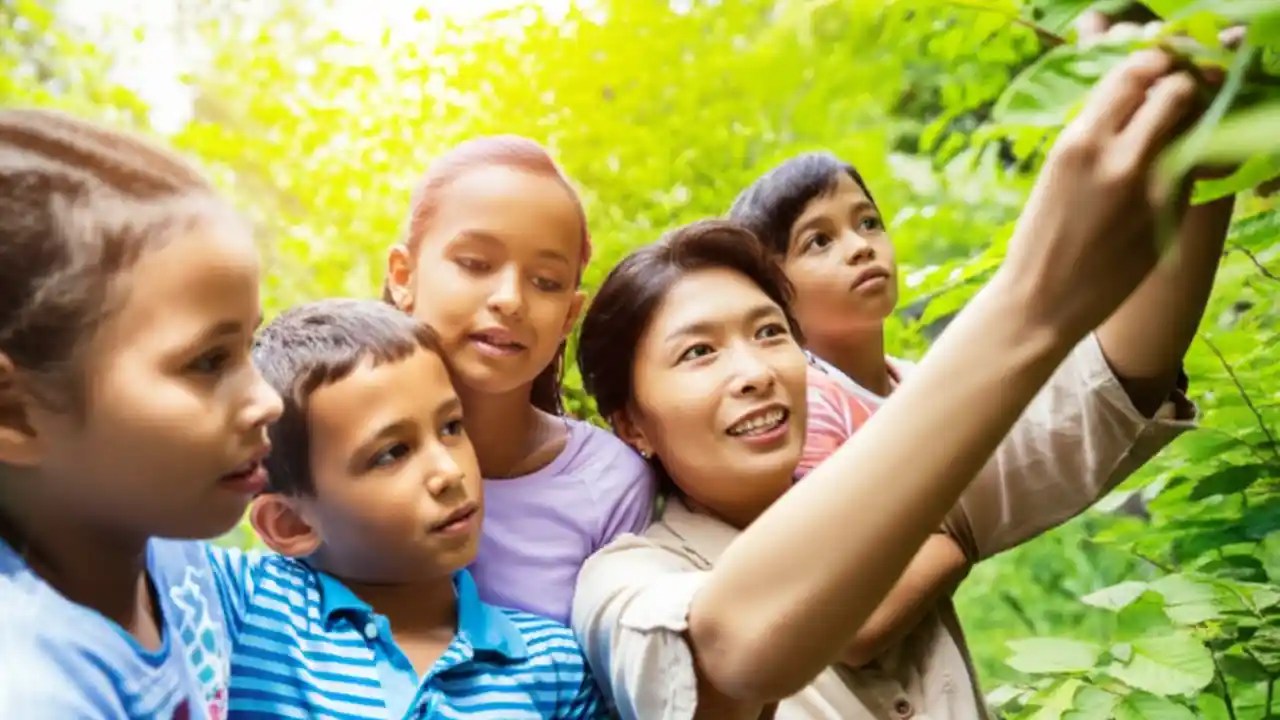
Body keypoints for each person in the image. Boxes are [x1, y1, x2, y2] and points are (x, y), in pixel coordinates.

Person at [571, 50, 1208, 719]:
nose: (755, 372)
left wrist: (1210, 148)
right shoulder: (621, 581)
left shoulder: (907, 482)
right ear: (632, 424)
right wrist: (1029, 302)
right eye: (699, 352)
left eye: (768, 332)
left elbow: (1116, 384)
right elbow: (731, 651)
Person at [0, 109, 283, 718]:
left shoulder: (159, 545)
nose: (268, 400)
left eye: (248, 348)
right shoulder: (32, 691)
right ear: (15, 414)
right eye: (208, 362)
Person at [211, 298, 607, 719]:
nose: (449, 471)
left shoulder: (552, 664)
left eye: (451, 427)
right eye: (392, 453)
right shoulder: (244, 605)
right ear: (289, 524)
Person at [382, 137, 655, 624]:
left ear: (570, 314)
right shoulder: (330, 445)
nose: (510, 299)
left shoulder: (609, 483)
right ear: (403, 276)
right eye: (474, 264)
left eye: (546, 282)